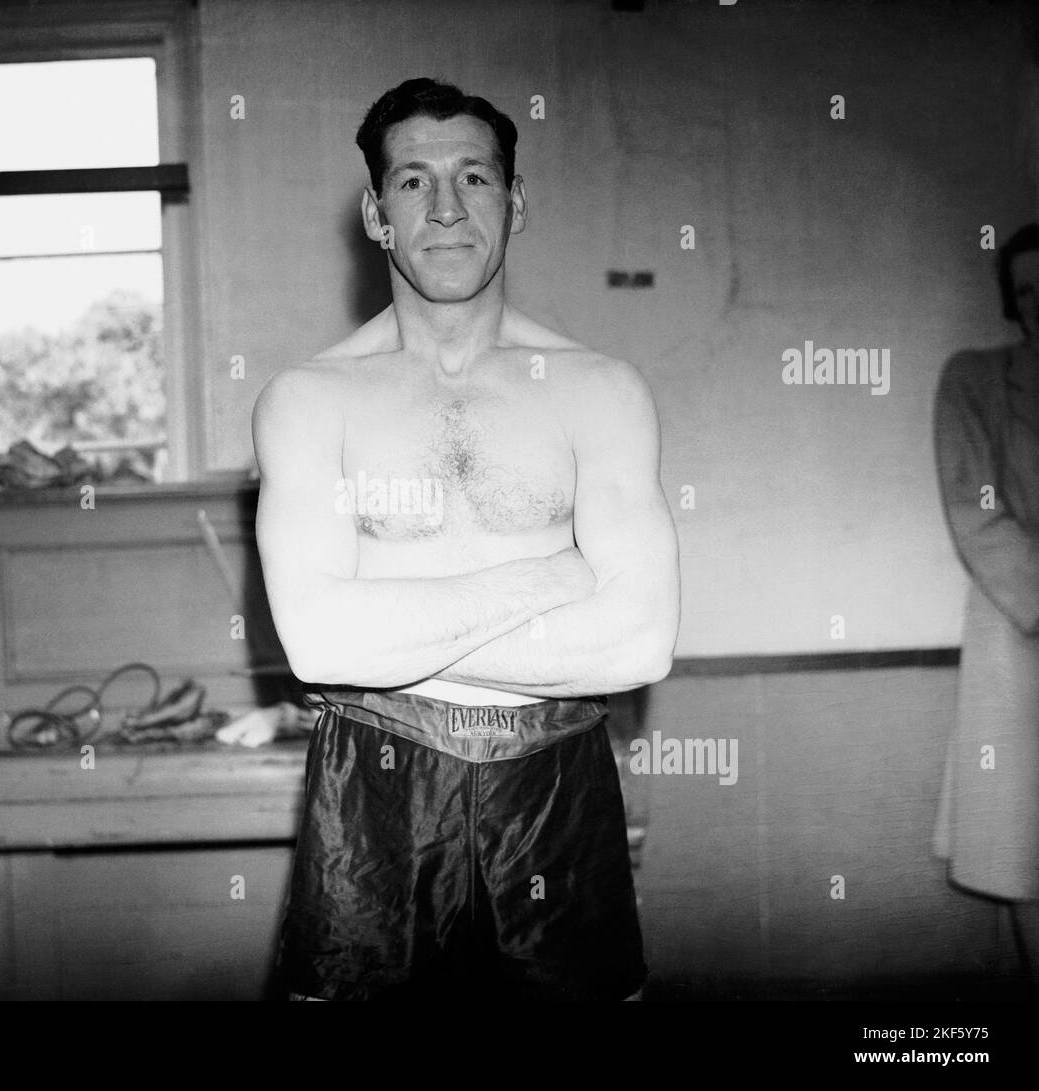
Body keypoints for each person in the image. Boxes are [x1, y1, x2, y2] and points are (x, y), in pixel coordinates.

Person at [252, 77, 680, 1001]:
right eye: (412, 182)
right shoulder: (308, 399)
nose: (446, 208)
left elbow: (641, 641)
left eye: (475, 178)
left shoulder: (600, 391)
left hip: (555, 778)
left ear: (515, 202)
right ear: (375, 213)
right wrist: (552, 576)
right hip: (377, 784)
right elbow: (319, 645)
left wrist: (391, 637)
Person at [933, 223, 1039, 990]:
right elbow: (977, 508)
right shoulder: (974, 380)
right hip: (1020, 629)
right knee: (1022, 835)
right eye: (1026, 292)